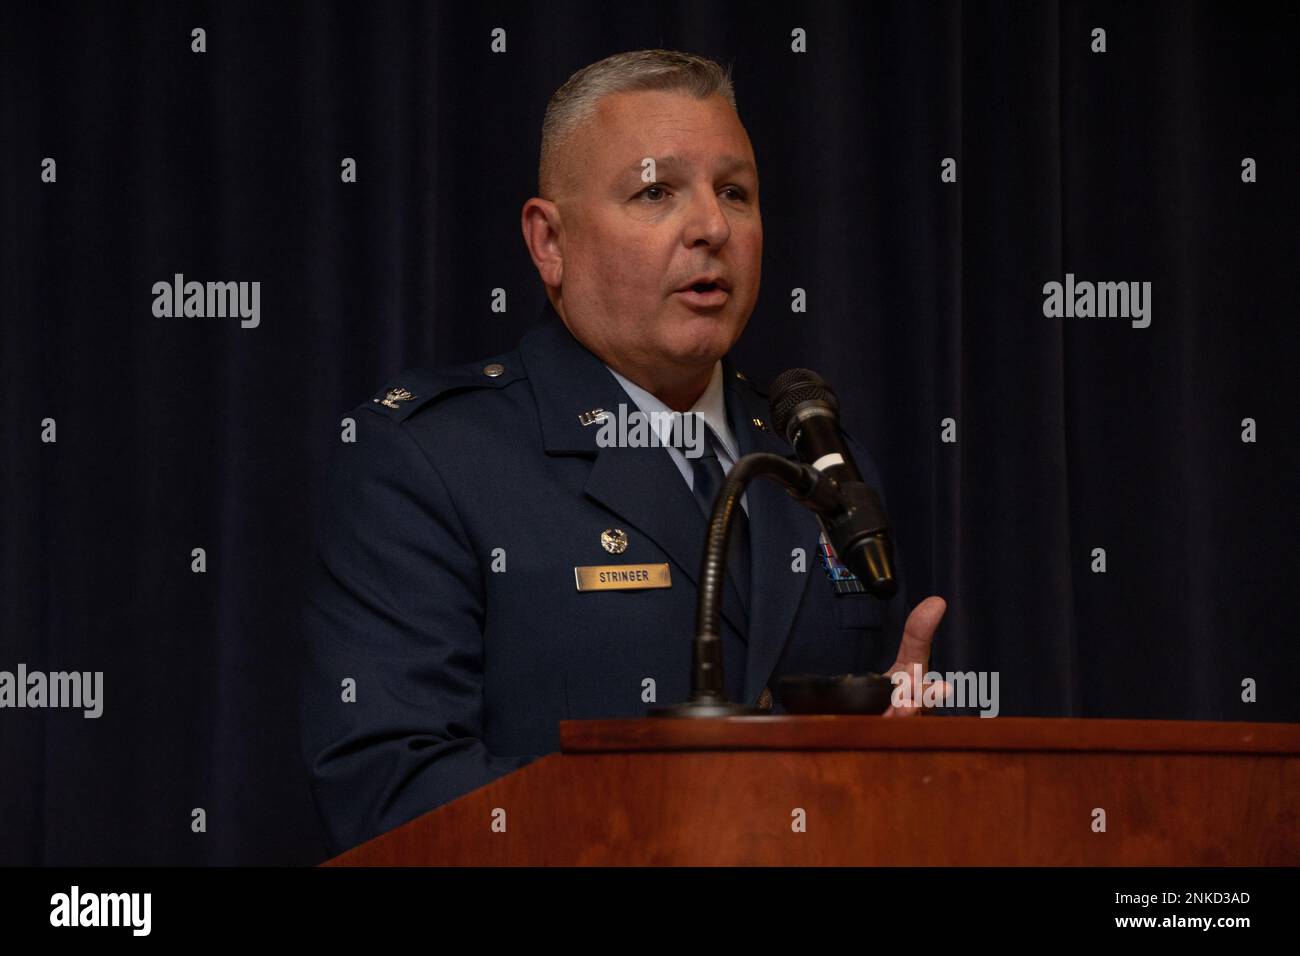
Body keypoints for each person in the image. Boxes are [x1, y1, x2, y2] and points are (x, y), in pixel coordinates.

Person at [300, 49, 948, 856]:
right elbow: (392, 790)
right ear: (550, 242)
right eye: (655, 192)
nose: (711, 227)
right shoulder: (428, 461)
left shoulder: (814, 458)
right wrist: (681, 825)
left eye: (736, 193)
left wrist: (911, 762)